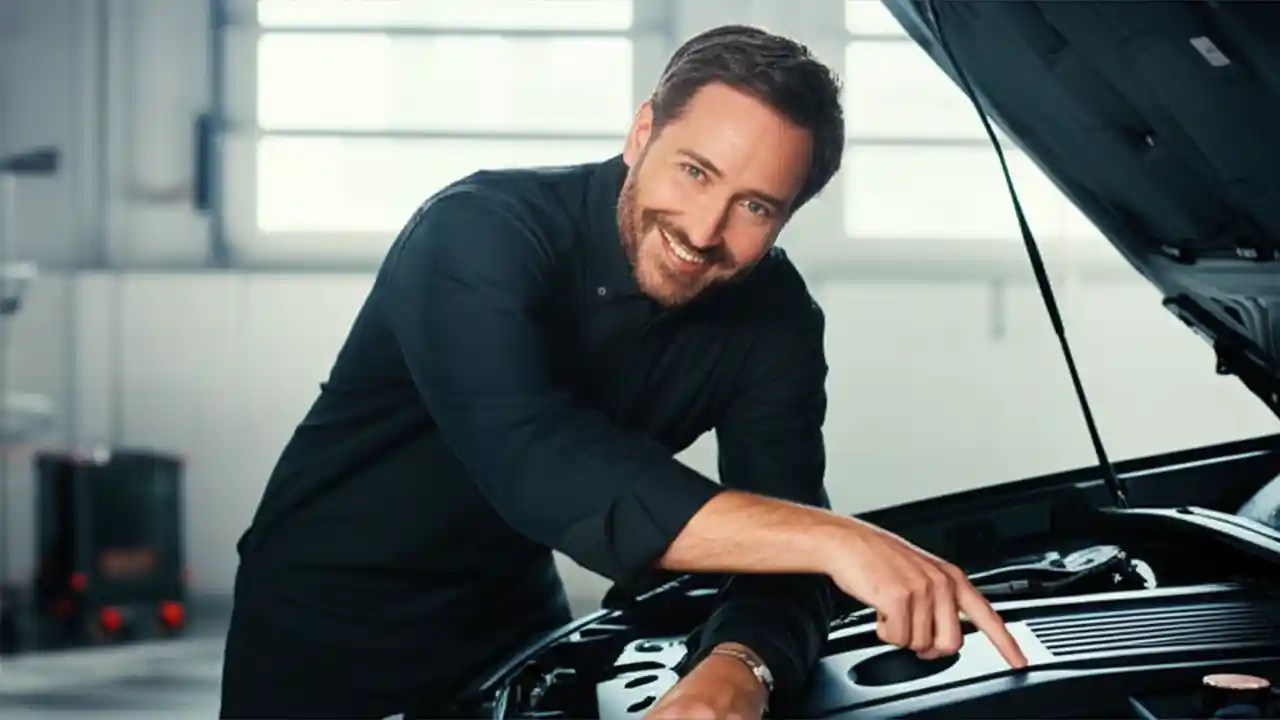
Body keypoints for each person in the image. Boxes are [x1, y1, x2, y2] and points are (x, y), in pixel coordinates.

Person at [220, 23, 1026, 720]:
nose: (704, 229)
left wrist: (740, 666)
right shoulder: (476, 233)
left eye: (756, 207)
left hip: (513, 619)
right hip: (326, 621)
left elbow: (782, 540)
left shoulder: (776, 317)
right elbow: (538, 463)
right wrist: (835, 537)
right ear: (642, 134)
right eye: (696, 171)